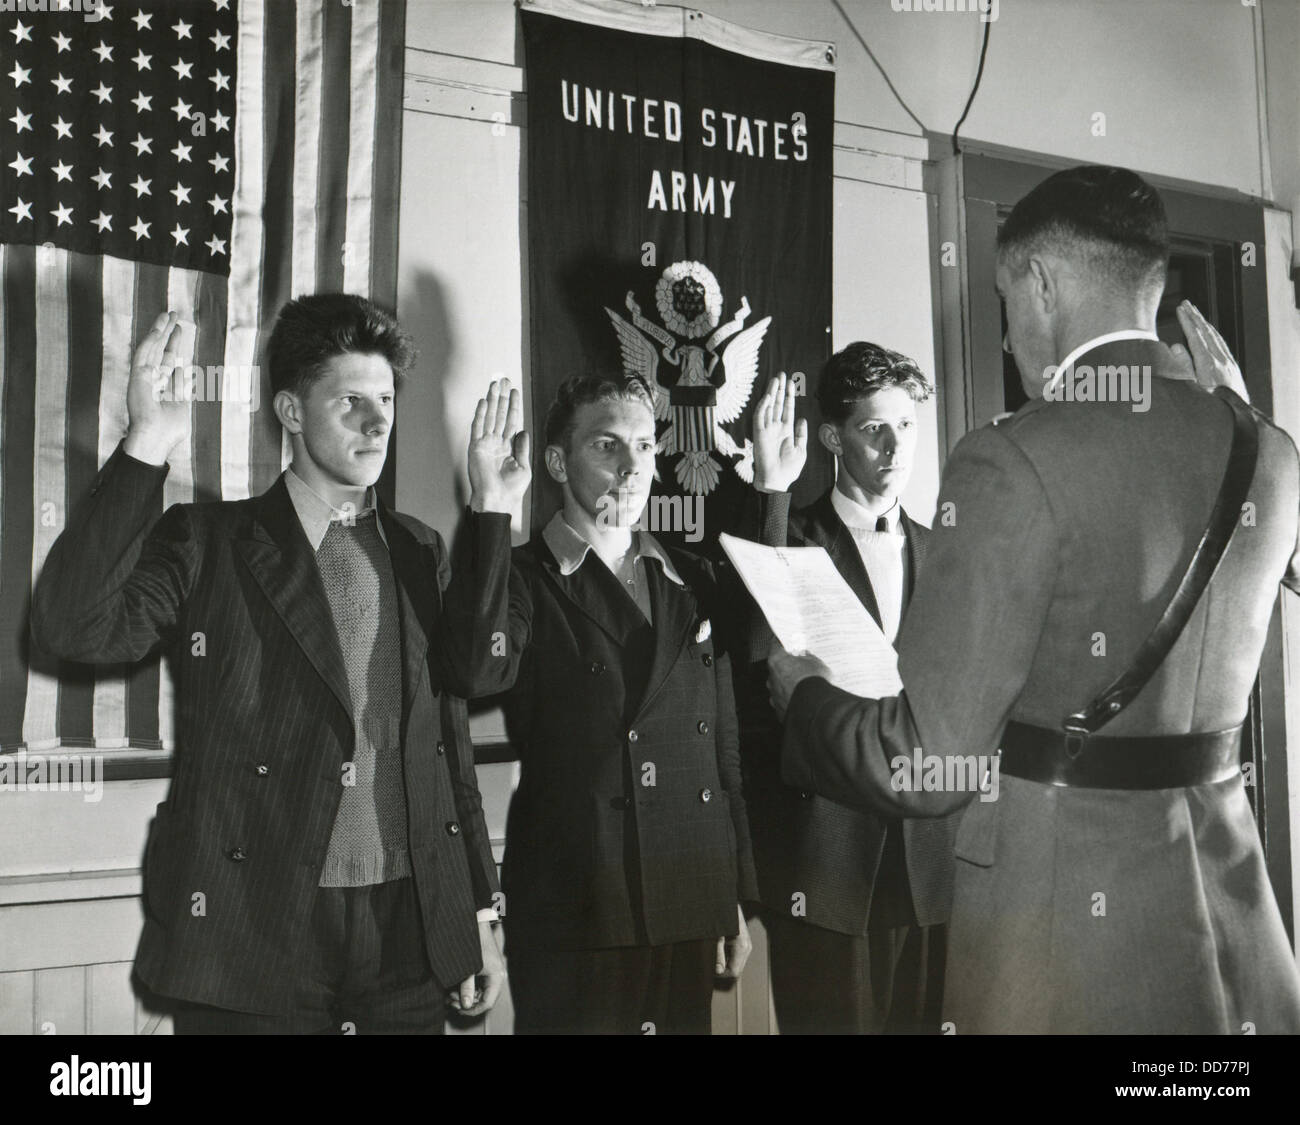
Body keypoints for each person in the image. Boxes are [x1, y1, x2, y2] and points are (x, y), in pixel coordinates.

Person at [767, 164, 1300, 1033]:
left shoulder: (1008, 460)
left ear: (1044, 285)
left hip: (1062, 947)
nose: (1010, 340)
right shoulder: (1268, 450)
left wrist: (804, 699)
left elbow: (926, 759)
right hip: (1235, 921)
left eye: (1009, 301)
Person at [30, 295, 507, 1034]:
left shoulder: (420, 550)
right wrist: (146, 442)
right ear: (290, 410)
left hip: (406, 933)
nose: (377, 421)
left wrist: (475, 903)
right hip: (254, 935)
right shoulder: (208, 541)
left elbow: (452, 733)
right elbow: (73, 624)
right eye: (351, 401)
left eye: (384, 399)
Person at [443, 373, 757, 1034]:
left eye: (644, 445)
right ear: (557, 462)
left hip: (686, 895)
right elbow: (474, 670)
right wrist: (492, 509)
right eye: (607, 445)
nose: (632, 464)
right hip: (574, 905)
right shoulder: (523, 575)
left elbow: (719, 743)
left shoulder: (690, 575)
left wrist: (729, 891)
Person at [738, 355, 958, 1034]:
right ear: (833, 438)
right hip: (826, 867)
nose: (895, 448)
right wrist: (771, 495)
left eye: (906, 426)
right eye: (873, 430)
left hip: (930, 867)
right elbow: (754, 665)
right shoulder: (791, 536)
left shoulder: (948, 551)